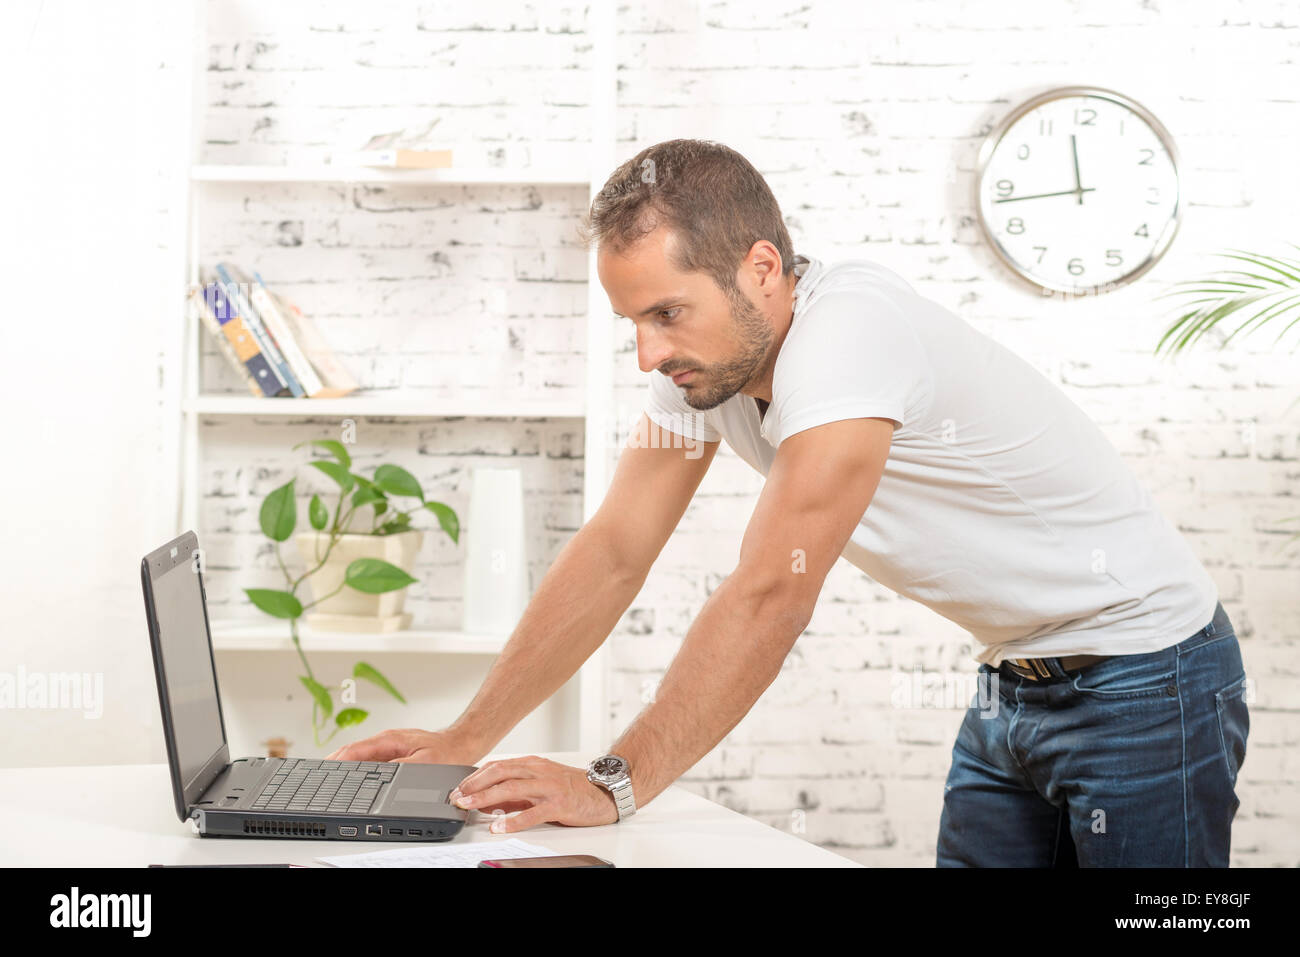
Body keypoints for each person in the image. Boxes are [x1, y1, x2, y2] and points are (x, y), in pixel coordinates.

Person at [326, 138, 1249, 866]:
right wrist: (465, 736)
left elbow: (772, 591)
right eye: (633, 323)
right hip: (1013, 682)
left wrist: (615, 781)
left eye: (667, 312)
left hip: (1147, 676)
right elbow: (616, 549)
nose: (647, 353)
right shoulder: (700, 373)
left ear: (762, 266)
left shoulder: (850, 339)